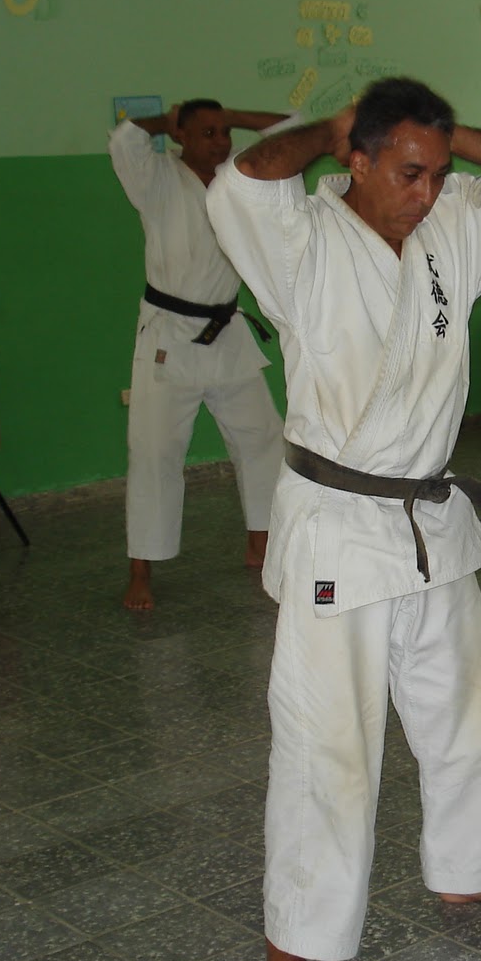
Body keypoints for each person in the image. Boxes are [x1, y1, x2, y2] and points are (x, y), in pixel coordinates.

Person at [205, 77, 481, 961]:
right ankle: (293, 937)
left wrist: (440, 137)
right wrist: (330, 126)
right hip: (339, 525)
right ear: (356, 160)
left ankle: (469, 869)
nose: (427, 192)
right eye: (408, 172)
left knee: (471, 709)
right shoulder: (302, 242)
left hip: (429, 522)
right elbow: (247, 177)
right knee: (329, 743)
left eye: (439, 174)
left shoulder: (454, 229)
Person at [110, 100, 290, 610]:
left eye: (224, 132)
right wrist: (164, 121)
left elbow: (293, 129)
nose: (221, 141)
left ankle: (261, 541)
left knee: (263, 440)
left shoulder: (238, 178)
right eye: (207, 132)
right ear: (180, 136)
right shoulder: (156, 179)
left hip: (227, 331)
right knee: (155, 453)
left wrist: (232, 114)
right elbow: (124, 138)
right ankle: (141, 570)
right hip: (169, 335)